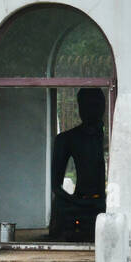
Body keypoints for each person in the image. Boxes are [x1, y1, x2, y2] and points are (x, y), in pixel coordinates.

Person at [49, 88, 107, 242]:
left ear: (103, 108)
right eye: (86, 106)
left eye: (96, 106)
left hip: (104, 202)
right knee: (60, 209)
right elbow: (55, 186)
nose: (91, 111)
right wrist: (78, 202)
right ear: (79, 108)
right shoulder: (67, 139)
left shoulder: (111, 137)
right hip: (78, 202)